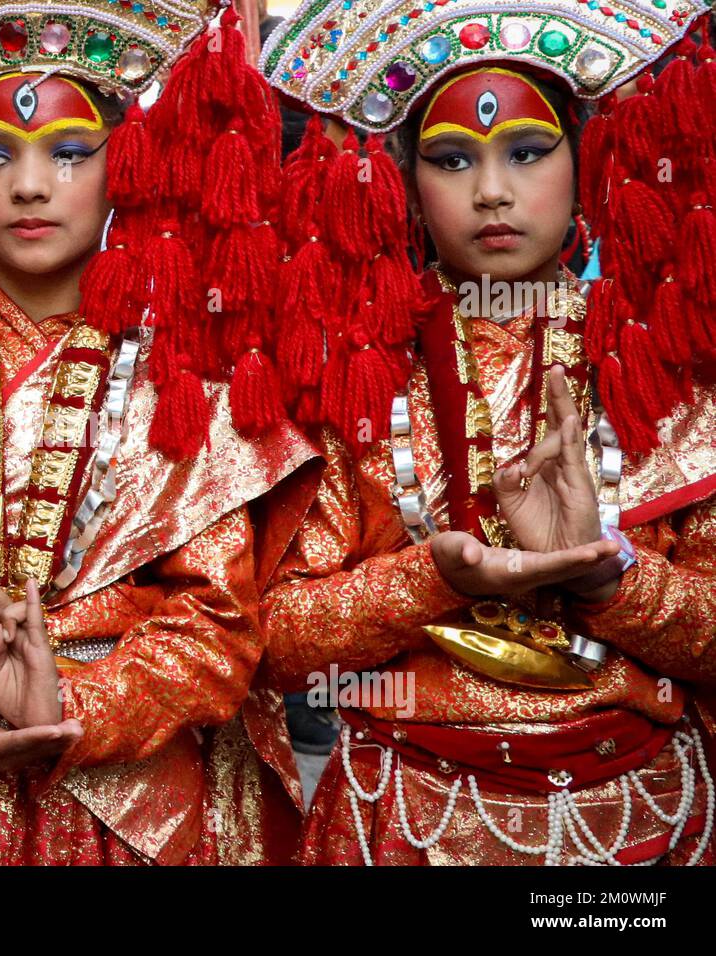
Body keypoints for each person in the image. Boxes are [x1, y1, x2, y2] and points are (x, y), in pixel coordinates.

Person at [0, 0, 321, 863]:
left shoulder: (183, 375)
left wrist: (74, 709)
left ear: (120, 159)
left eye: (67, 152)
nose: (27, 186)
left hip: (132, 820)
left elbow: (219, 627)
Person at [256, 0, 715, 864]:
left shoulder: (665, 359)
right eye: (453, 158)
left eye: (528, 153)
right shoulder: (359, 366)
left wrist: (612, 576)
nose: (492, 191)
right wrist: (428, 578)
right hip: (395, 813)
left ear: (586, 160)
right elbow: (280, 641)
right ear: (402, 176)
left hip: (641, 817)